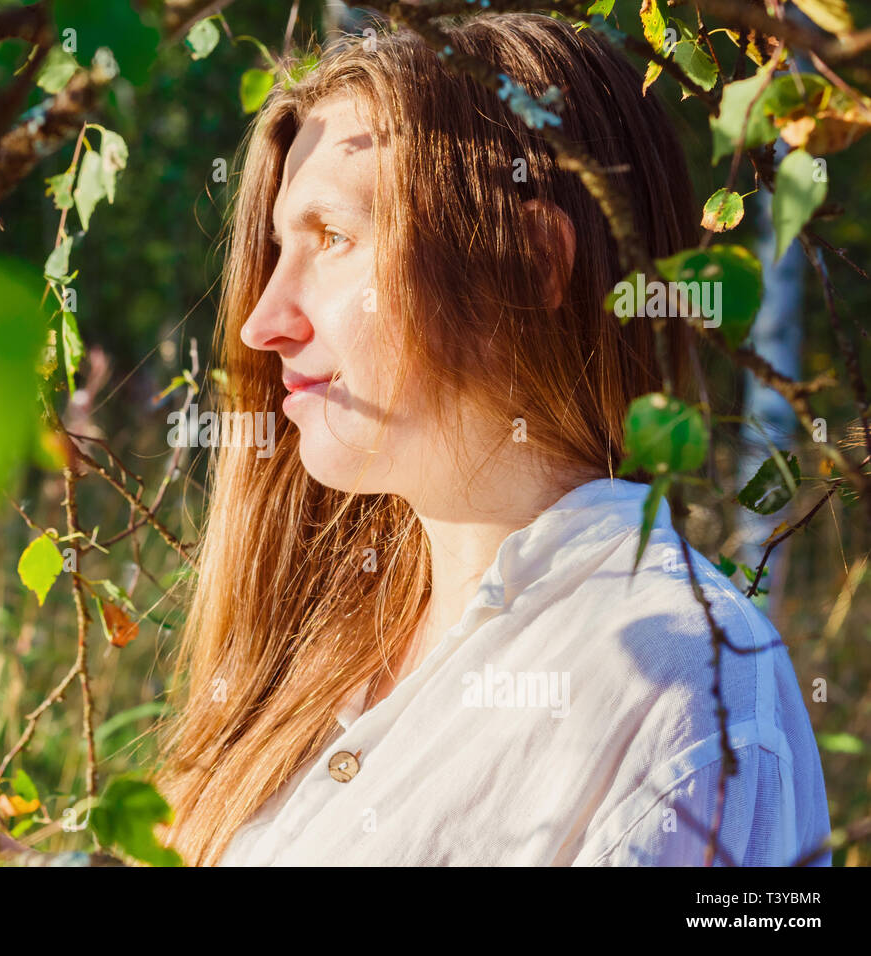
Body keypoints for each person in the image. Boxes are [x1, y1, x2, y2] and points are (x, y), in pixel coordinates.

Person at [152, 13, 831, 866]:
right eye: (280, 247)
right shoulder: (317, 660)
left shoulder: (687, 686)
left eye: (333, 238)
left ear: (528, 262)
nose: (261, 323)